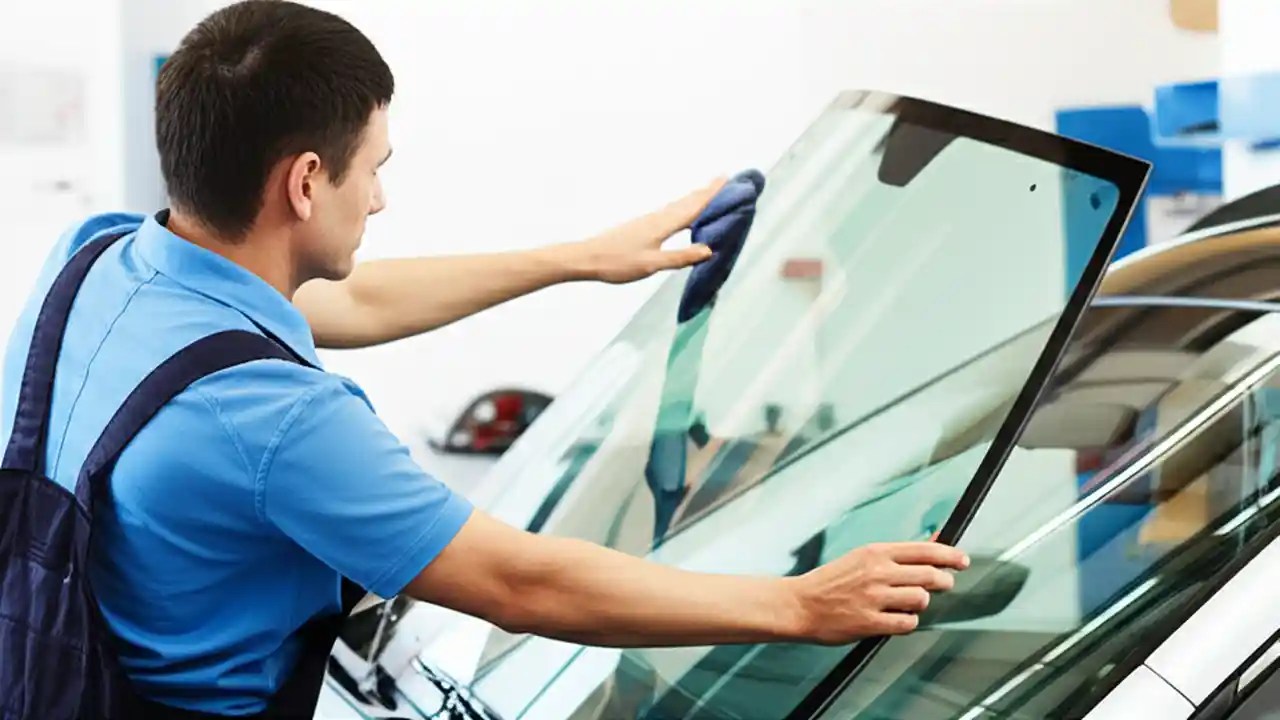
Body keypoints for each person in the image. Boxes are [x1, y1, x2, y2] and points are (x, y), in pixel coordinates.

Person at [0, 1, 968, 717]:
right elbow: (522, 584)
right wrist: (798, 605)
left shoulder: (99, 259)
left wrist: (579, 260)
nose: (379, 198)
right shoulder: (277, 419)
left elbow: (350, 301)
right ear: (305, 183)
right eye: (373, 168)